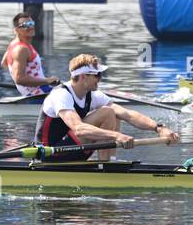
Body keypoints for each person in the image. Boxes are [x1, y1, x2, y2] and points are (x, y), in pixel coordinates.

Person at [36, 54, 179, 162]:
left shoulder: (94, 95)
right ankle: (106, 165)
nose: (100, 79)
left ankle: (109, 161)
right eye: (97, 75)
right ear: (83, 77)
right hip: (50, 154)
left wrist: (159, 128)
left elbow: (128, 114)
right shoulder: (61, 95)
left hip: (73, 149)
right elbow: (79, 129)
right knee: (107, 113)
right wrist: (117, 136)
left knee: (114, 113)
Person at [1, 12, 60, 97]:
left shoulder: (13, 44)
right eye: (25, 25)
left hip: (38, 89)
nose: (30, 27)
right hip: (39, 93)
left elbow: (4, 63)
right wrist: (47, 81)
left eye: (31, 23)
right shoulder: (21, 50)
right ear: (16, 30)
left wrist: (21, 86)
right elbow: (19, 79)